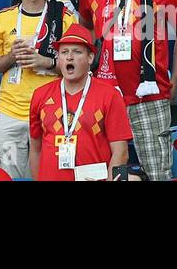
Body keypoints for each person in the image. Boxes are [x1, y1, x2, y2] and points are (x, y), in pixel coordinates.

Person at [78, 0, 177, 181]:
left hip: (148, 93)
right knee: (96, 171)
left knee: (157, 171)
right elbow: (85, 26)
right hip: (102, 93)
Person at [0, 0, 71, 179]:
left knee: (52, 176)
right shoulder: (3, 18)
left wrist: (47, 63)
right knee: (8, 176)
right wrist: (11, 57)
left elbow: (77, 68)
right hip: (10, 115)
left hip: (52, 112)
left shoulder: (64, 18)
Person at [27, 23, 132, 181]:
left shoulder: (110, 95)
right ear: (58, 58)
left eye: (77, 52)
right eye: (64, 52)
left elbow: (121, 153)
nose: (69, 57)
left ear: (90, 57)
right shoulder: (40, 95)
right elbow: (35, 149)